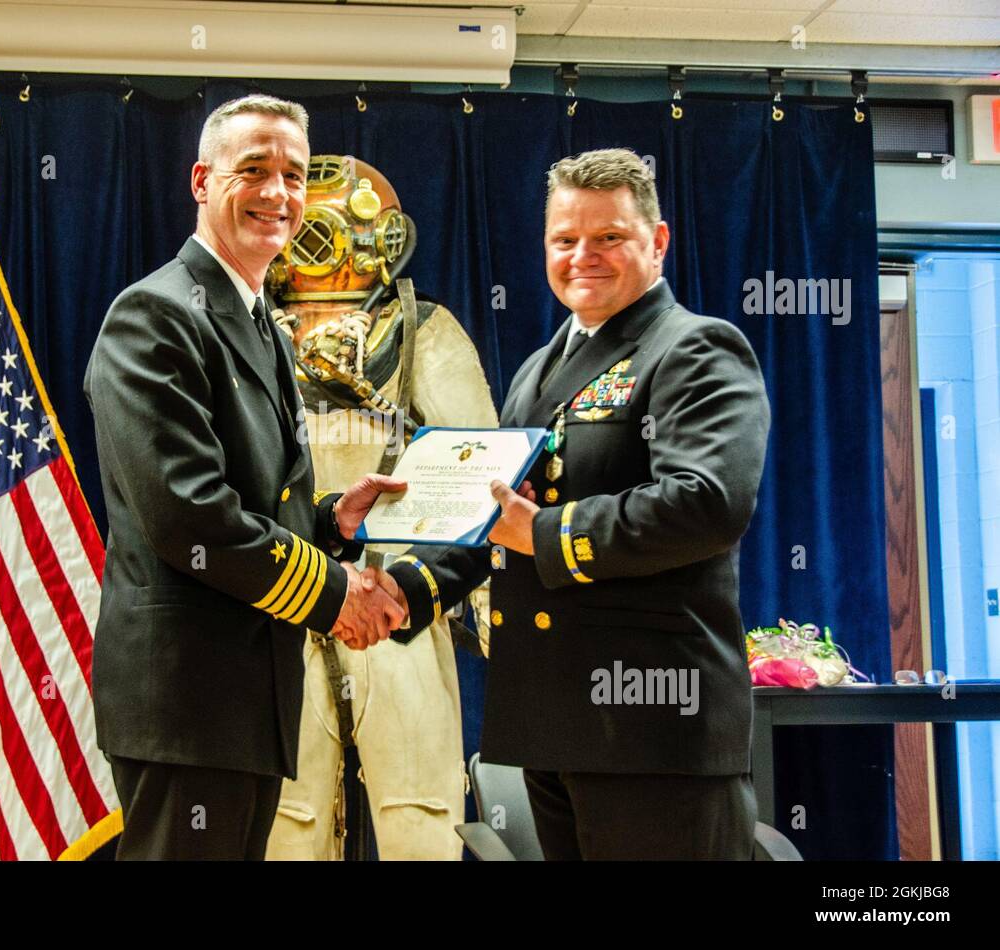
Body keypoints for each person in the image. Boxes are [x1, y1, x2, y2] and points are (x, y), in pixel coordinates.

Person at [374, 147, 772, 859]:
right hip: (553, 723)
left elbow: (708, 502)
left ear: (658, 241)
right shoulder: (540, 367)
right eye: (565, 240)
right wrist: (404, 590)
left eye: (609, 237)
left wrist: (552, 534)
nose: (583, 255)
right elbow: (494, 515)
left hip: (653, 729)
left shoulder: (695, 349)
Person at [83, 95, 406, 860]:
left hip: (244, 701)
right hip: (187, 703)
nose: (278, 193)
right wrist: (335, 593)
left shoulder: (260, 321)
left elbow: (255, 497)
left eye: (293, 175)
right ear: (202, 180)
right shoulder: (155, 316)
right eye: (253, 170)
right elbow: (189, 517)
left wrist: (331, 521)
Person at [261, 155, 499, 860]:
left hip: (398, 608)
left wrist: (453, 599)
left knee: (419, 817)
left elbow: (482, 487)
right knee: (288, 823)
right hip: (286, 606)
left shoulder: (422, 331)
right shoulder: (246, 337)